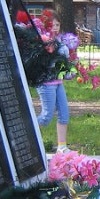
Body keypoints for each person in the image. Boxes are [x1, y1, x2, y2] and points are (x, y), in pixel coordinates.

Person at [36, 14, 70, 153]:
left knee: (64, 114)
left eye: (57, 25)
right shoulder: (42, 41)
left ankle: (62, 146)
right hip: (46, 84)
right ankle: (26, 134)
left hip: (58, 82)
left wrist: (68, 69)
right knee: (46, 117)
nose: (55, 27)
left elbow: (62, 64)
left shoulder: (59, 40)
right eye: (52, 25)